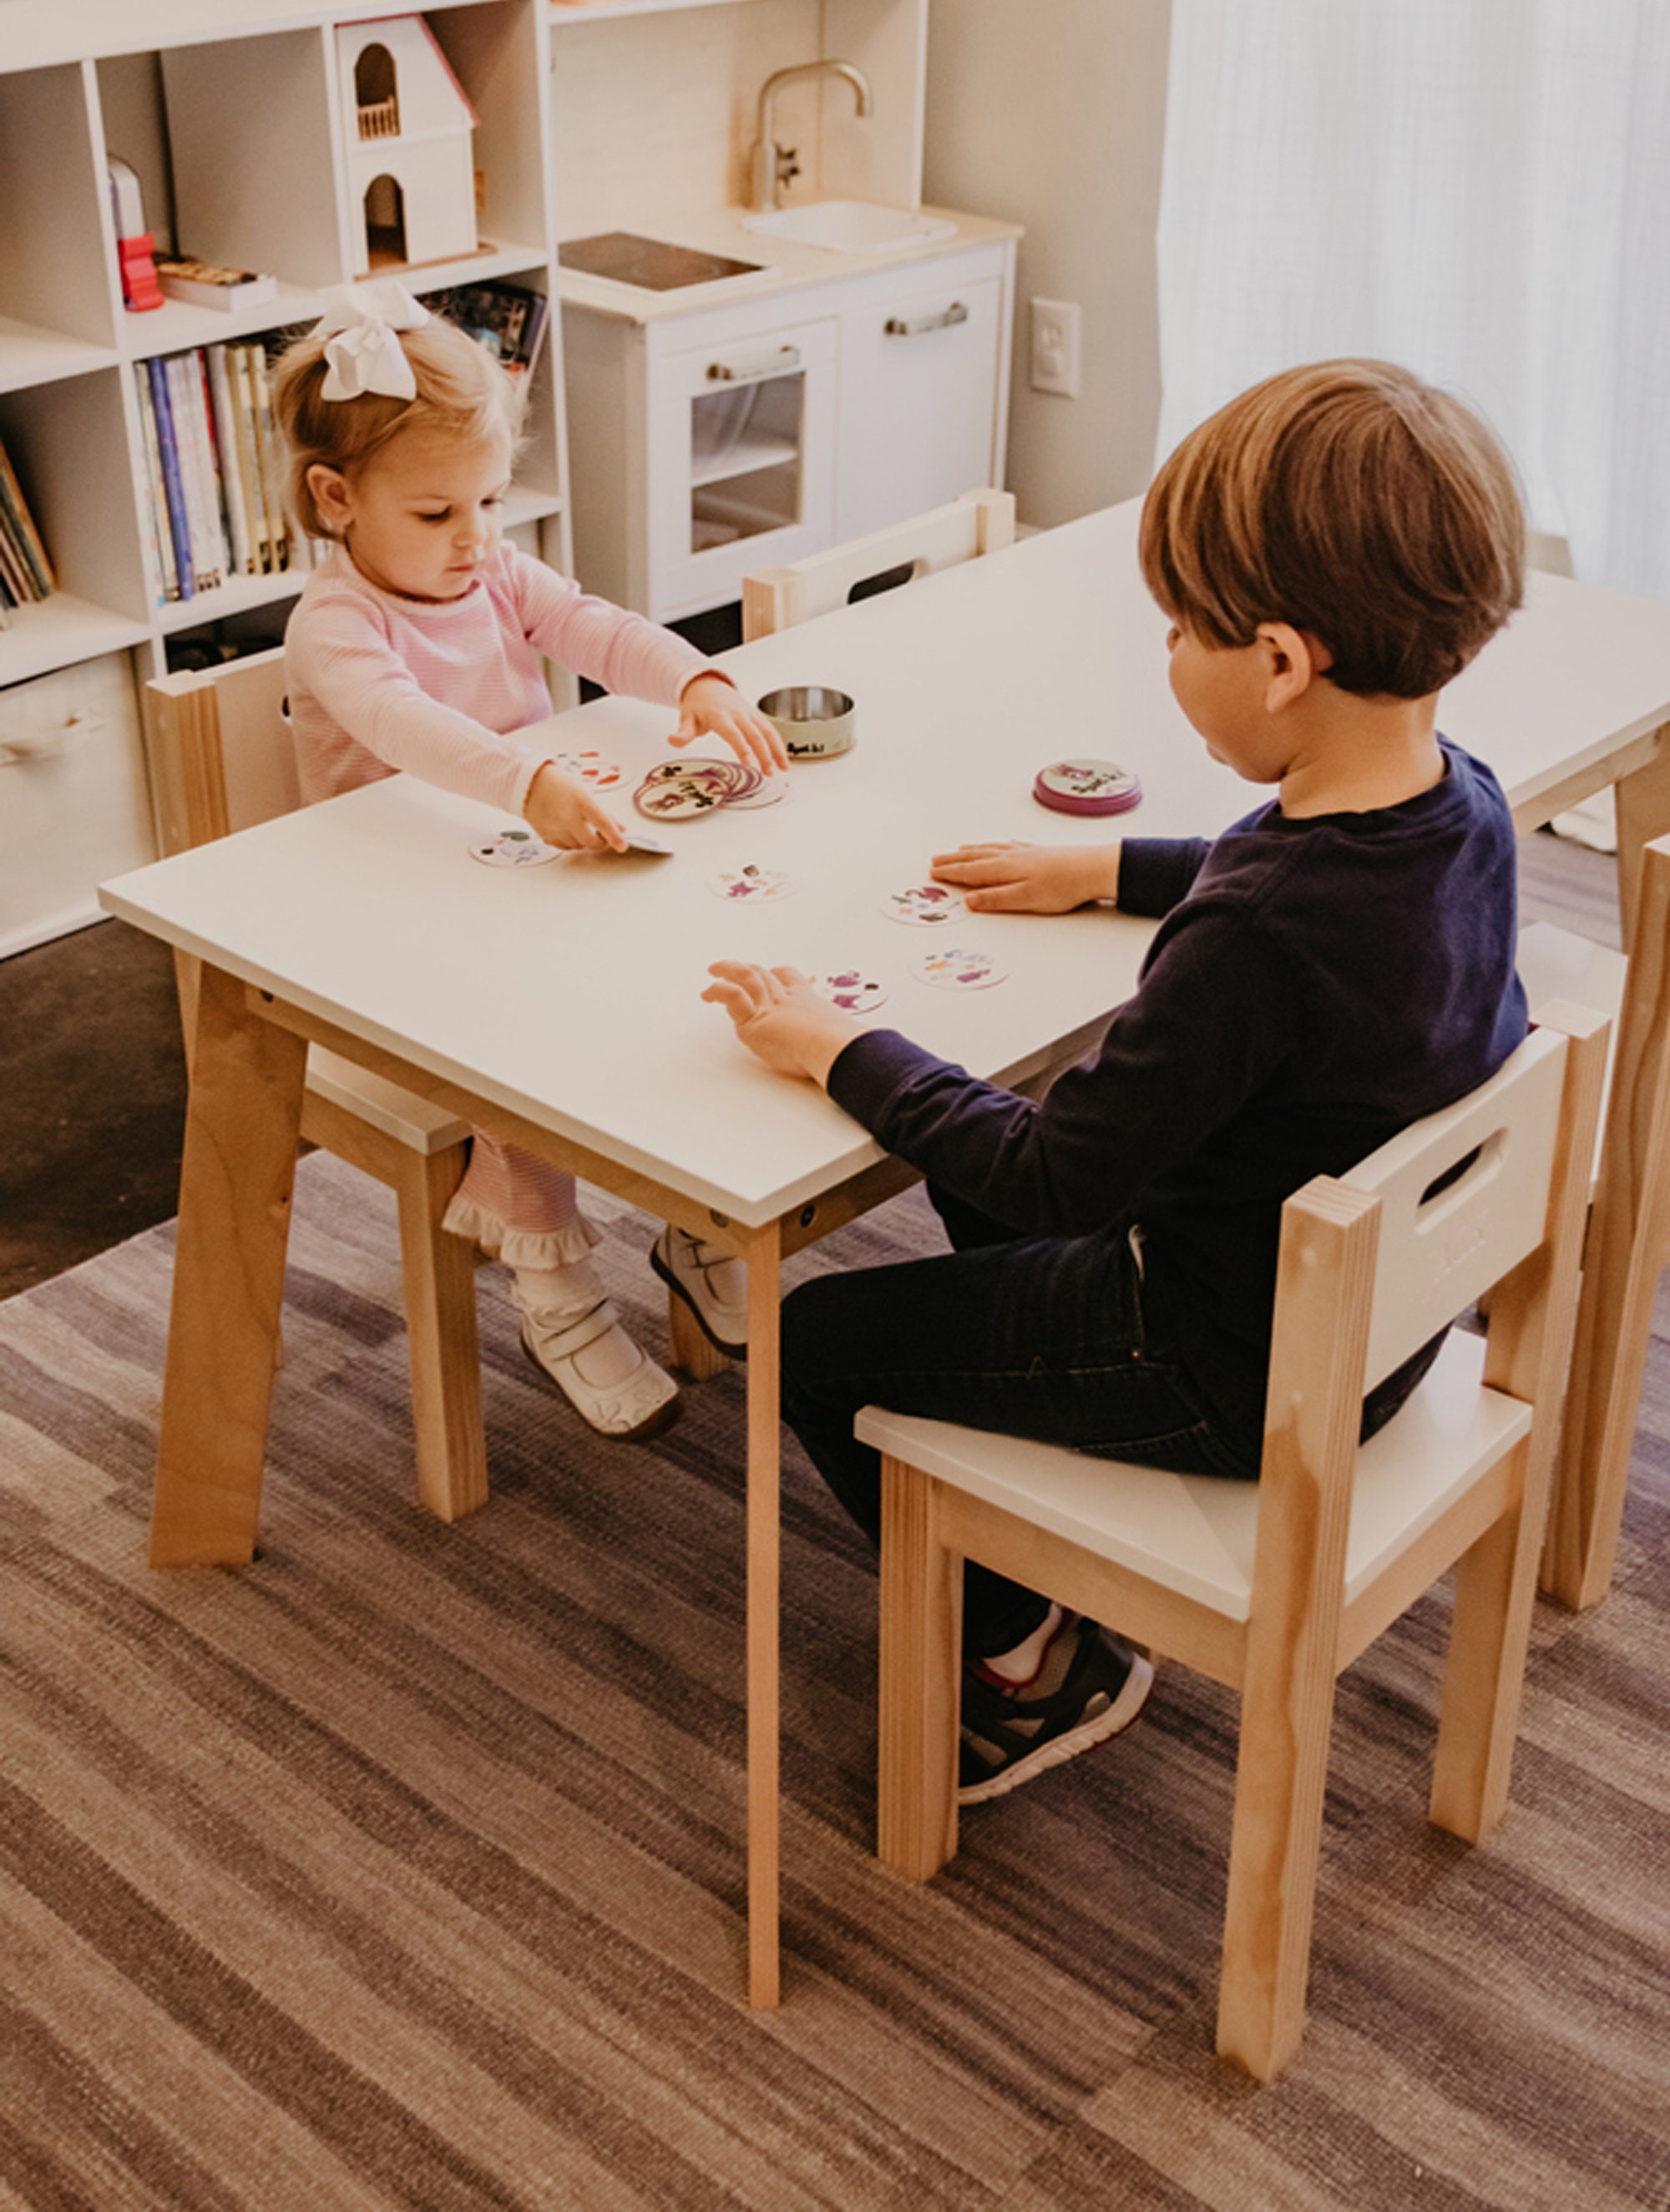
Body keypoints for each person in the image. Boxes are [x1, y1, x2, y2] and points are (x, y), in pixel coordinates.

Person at [702, 358, 1529, 1802]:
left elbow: (1051, 1171)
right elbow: (1290, 889)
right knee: (973, 1185)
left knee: (820, 1337)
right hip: (1372, 1327)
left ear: (1278, 662)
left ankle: (1030, 1659)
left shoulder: (1256, 931)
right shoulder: (1461, 799)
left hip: (1218, 1360)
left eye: (1180, 630)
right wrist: (1110, 867)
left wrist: (843, 1047)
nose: (1165, 653)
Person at [278, 285, 787, 1442]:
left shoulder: (494, 571)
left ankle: (695, 1225)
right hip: (387, 918)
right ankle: (553, 1288)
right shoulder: (336, 624)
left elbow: (594, 627)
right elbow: (407, 727)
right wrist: (525, 781)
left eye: (492, 502)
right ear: (336, 499)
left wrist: (695, 679)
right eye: (437, 511)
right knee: (528, 1031)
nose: (474, 537)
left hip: (511, 864)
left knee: (680, 969)